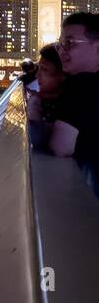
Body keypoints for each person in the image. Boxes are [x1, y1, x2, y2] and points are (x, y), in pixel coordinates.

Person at [44, 12, 99, 194]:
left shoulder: (83, 84)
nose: (61, 51)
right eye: (60, 45)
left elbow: (61, 147)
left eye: (69, 43)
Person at [26, 45, 65, 148]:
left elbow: (37, 139)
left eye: (45, 70)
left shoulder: (65, 109)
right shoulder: (47, 101)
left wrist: (34, 105)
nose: (37, 75)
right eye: (39, 68)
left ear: (62, 75)